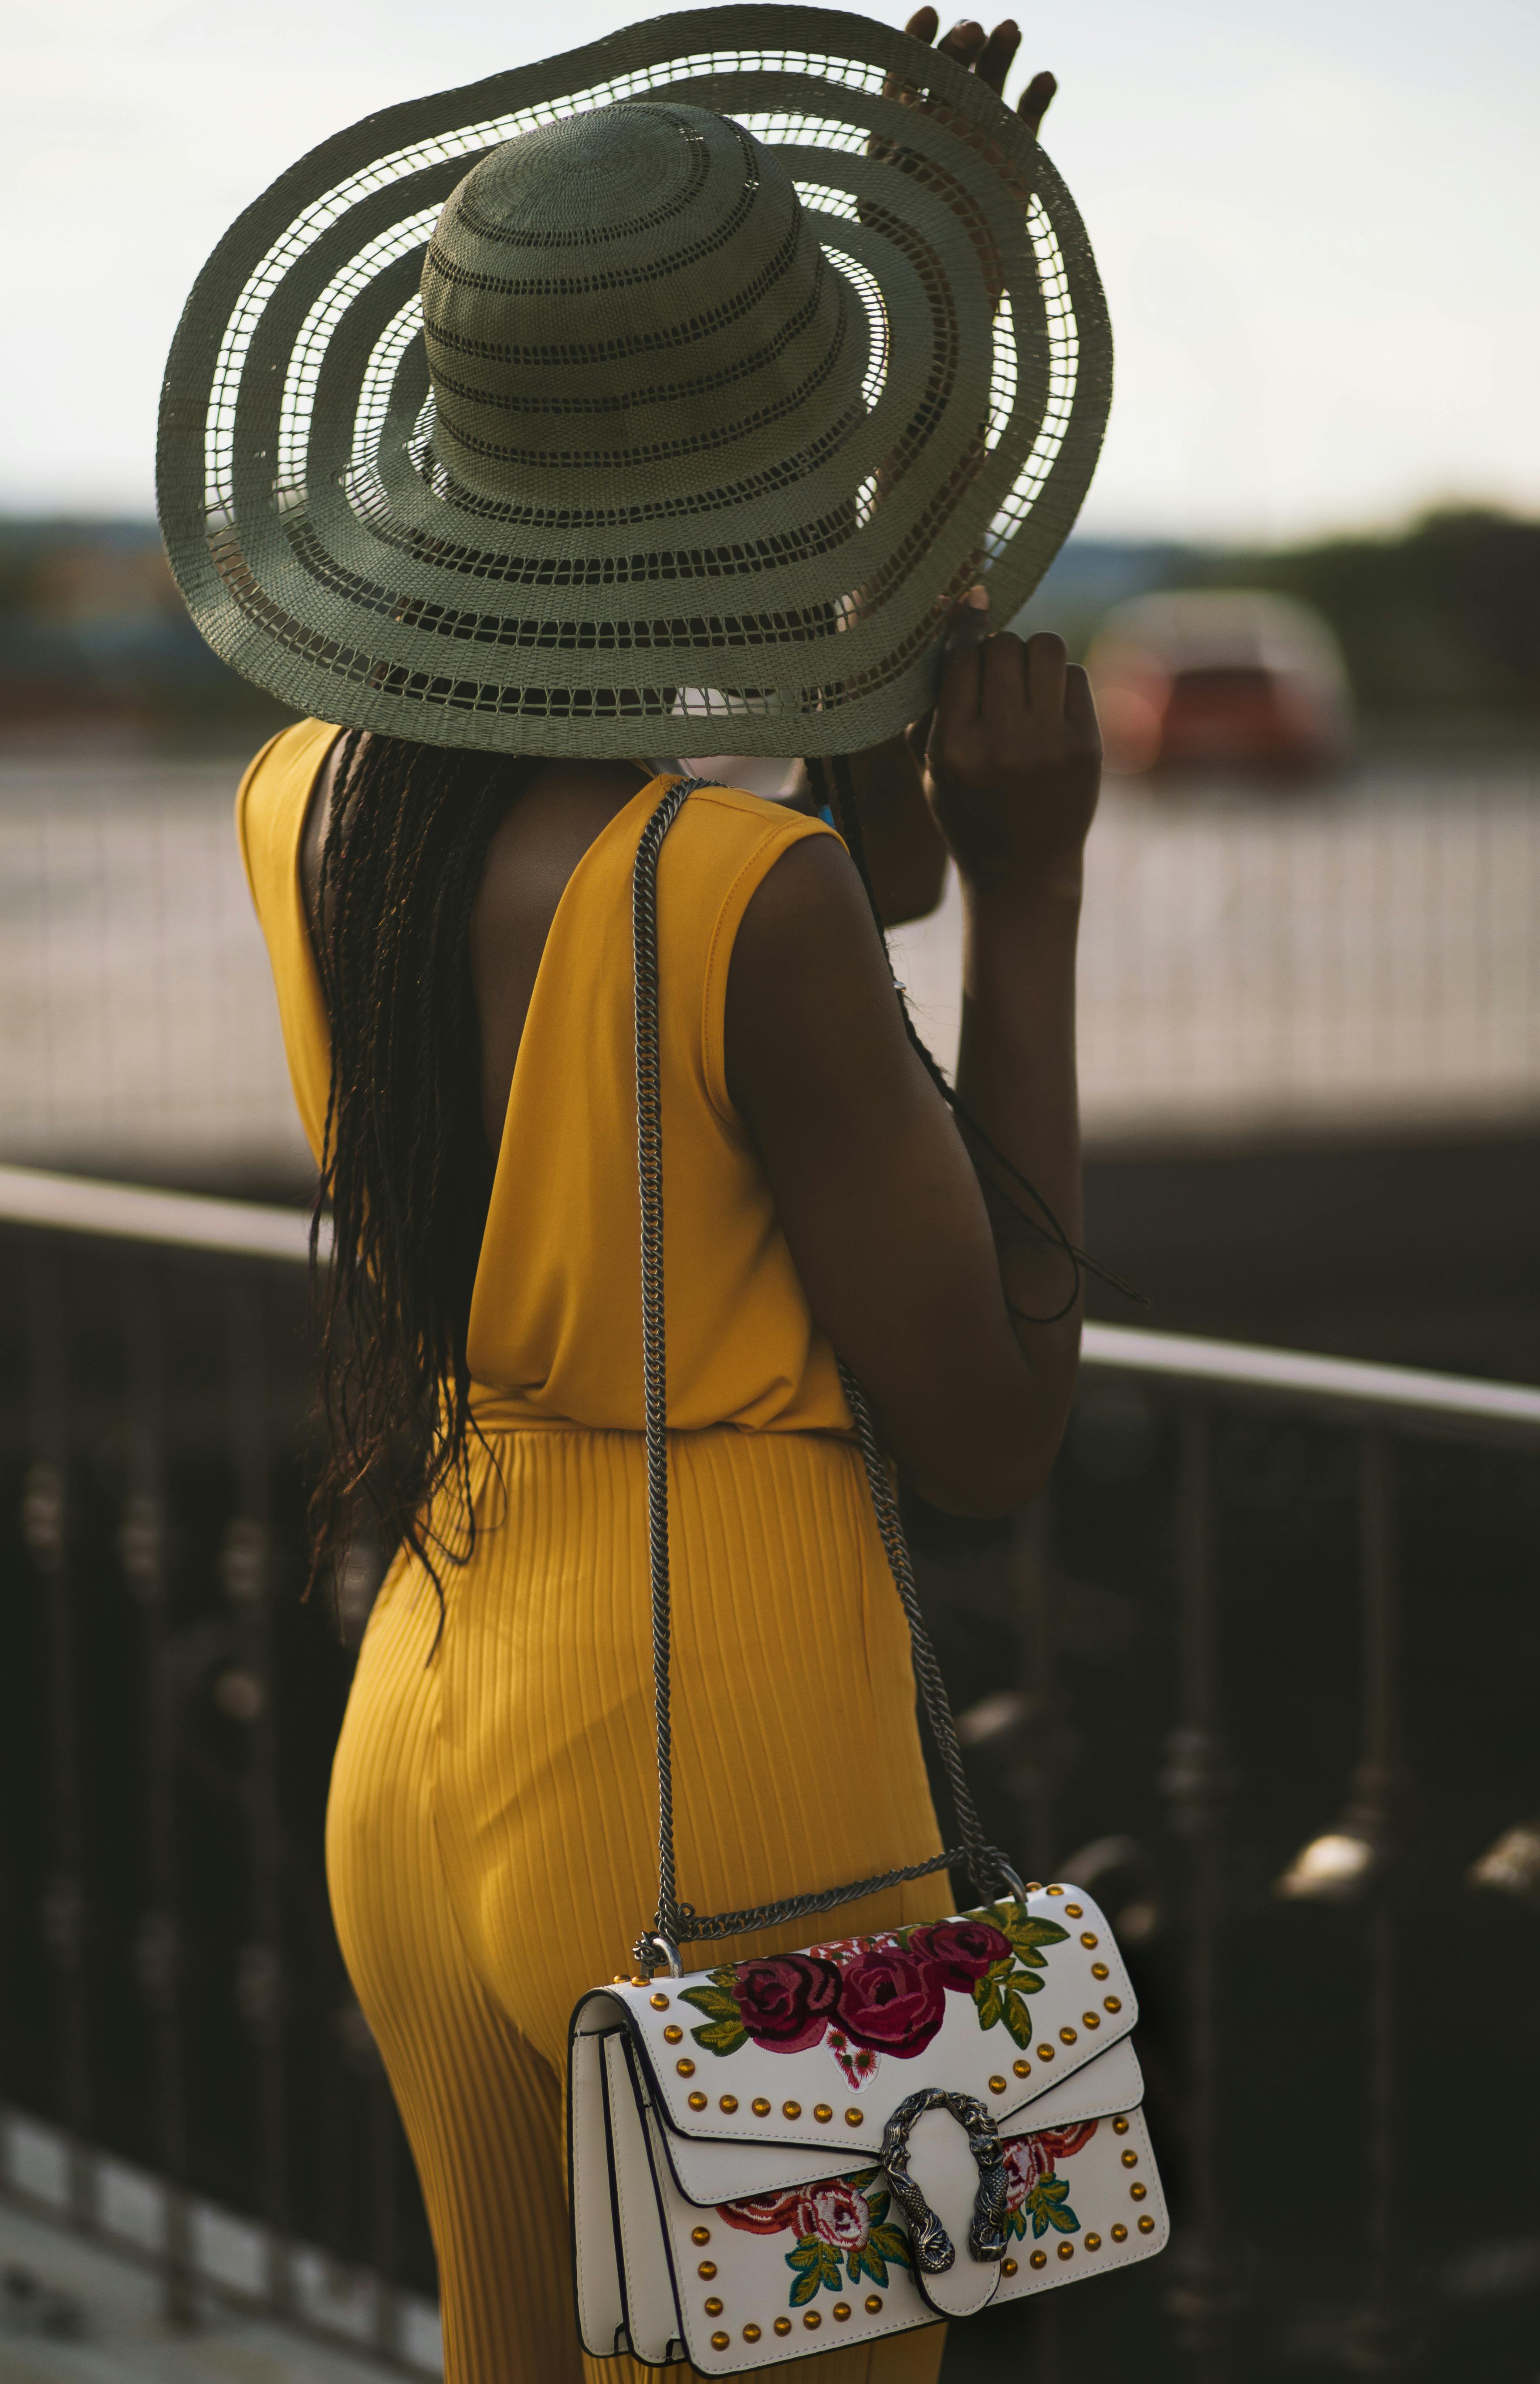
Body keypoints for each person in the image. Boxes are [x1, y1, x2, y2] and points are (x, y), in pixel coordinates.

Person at [168, 8, 1113, 2376]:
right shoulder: (741, 899)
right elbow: (995, 1432)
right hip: (732, 1775)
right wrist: (1041, 886)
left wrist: (936, 331)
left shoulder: (313, 809)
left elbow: (780, 862)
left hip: (434, 1713)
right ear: (753, 490)